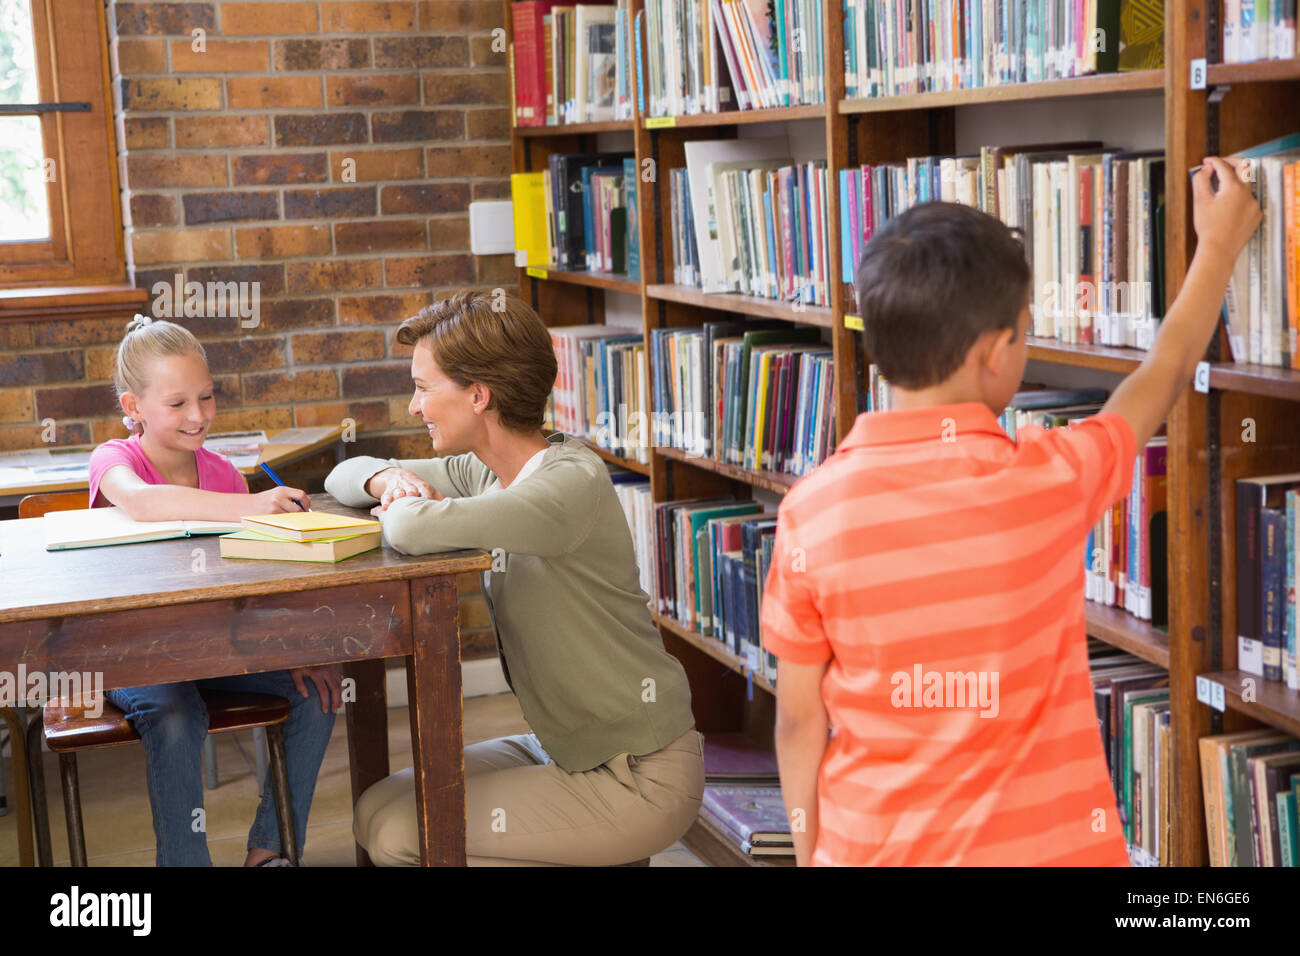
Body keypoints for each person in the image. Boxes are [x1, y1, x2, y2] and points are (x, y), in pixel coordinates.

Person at [761, 157, 1261, 865]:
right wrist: (1217, 246)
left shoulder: (810, 512)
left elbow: (797, 720)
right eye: (1025, 334)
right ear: (996, 354)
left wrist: (811, 854)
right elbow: (1167, 372)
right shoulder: (1046, 481)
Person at [325, 290, 703, 866]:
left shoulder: (568, 484)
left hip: (637, 774)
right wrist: (385, 480)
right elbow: (344, 473)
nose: (412, 408)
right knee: (374, 809)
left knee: (401, 835)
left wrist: (403, 504)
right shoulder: (483, 470)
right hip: (564, 749)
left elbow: (413, 530)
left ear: (478, 395)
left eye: (424, 388)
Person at [90, 315, 341, 866]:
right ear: (133, 407)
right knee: (176, 716)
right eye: (177, 403)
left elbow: (251, 582)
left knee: (318, 694)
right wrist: (252, 504)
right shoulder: (114, 461)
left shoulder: (223, 473)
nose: (198, 415)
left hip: (212, 647)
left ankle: (271, 850)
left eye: (205, 397)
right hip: (135, 655)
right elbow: (144, 504)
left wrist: (295, 648)